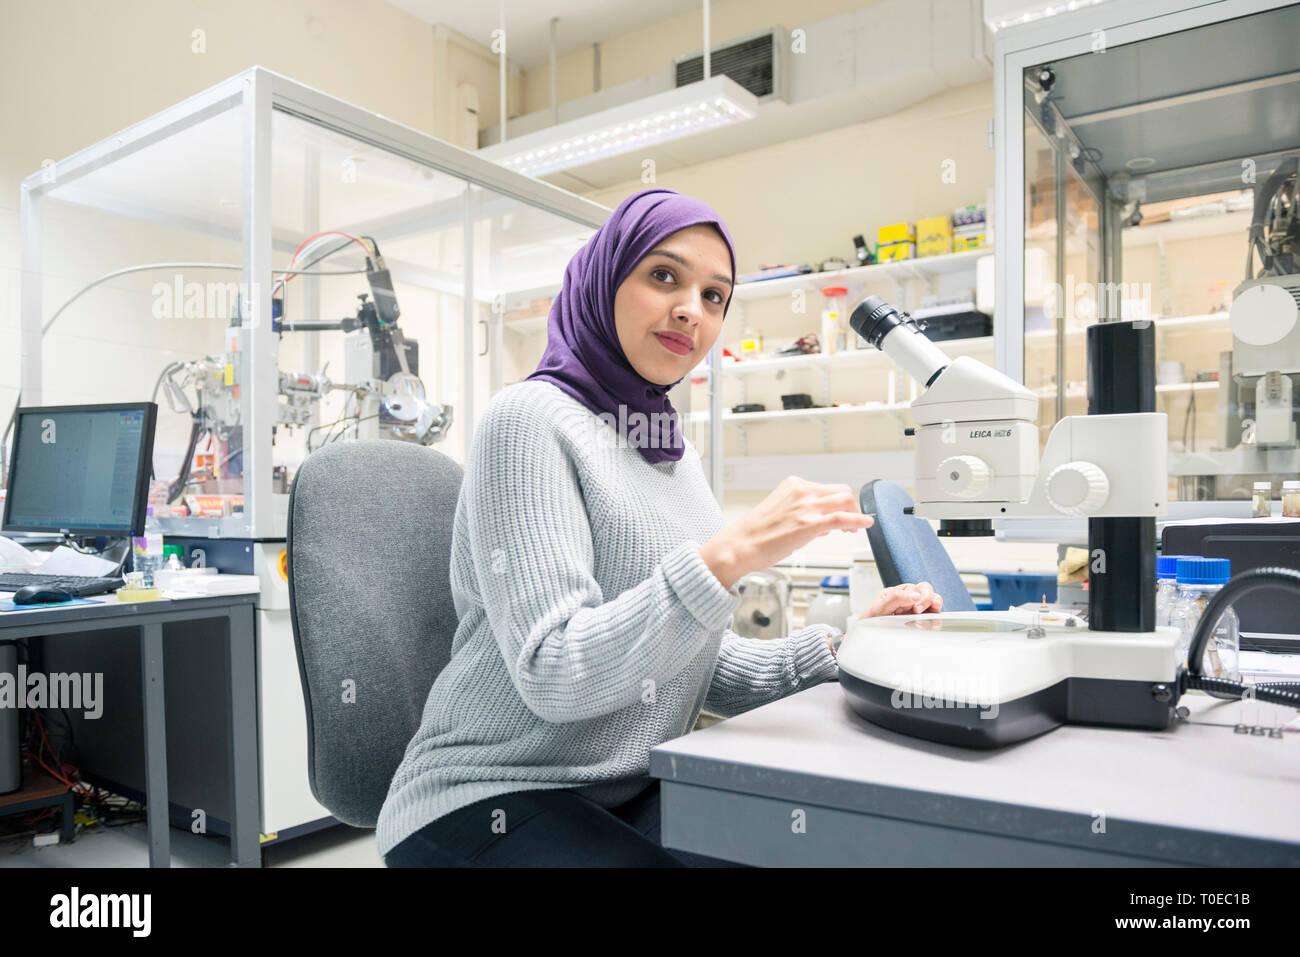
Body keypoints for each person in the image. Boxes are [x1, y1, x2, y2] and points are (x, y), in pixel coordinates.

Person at [376, 187, 942, 867]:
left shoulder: (669, 450)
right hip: (485, 795)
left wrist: (846, 649)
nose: (690, 309)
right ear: (606, 279)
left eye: (714, 295)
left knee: (827, 844)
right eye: (664, 276)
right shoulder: (528, 419)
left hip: (628, 787)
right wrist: (723, 556)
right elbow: (556, 673)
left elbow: (699, 662)